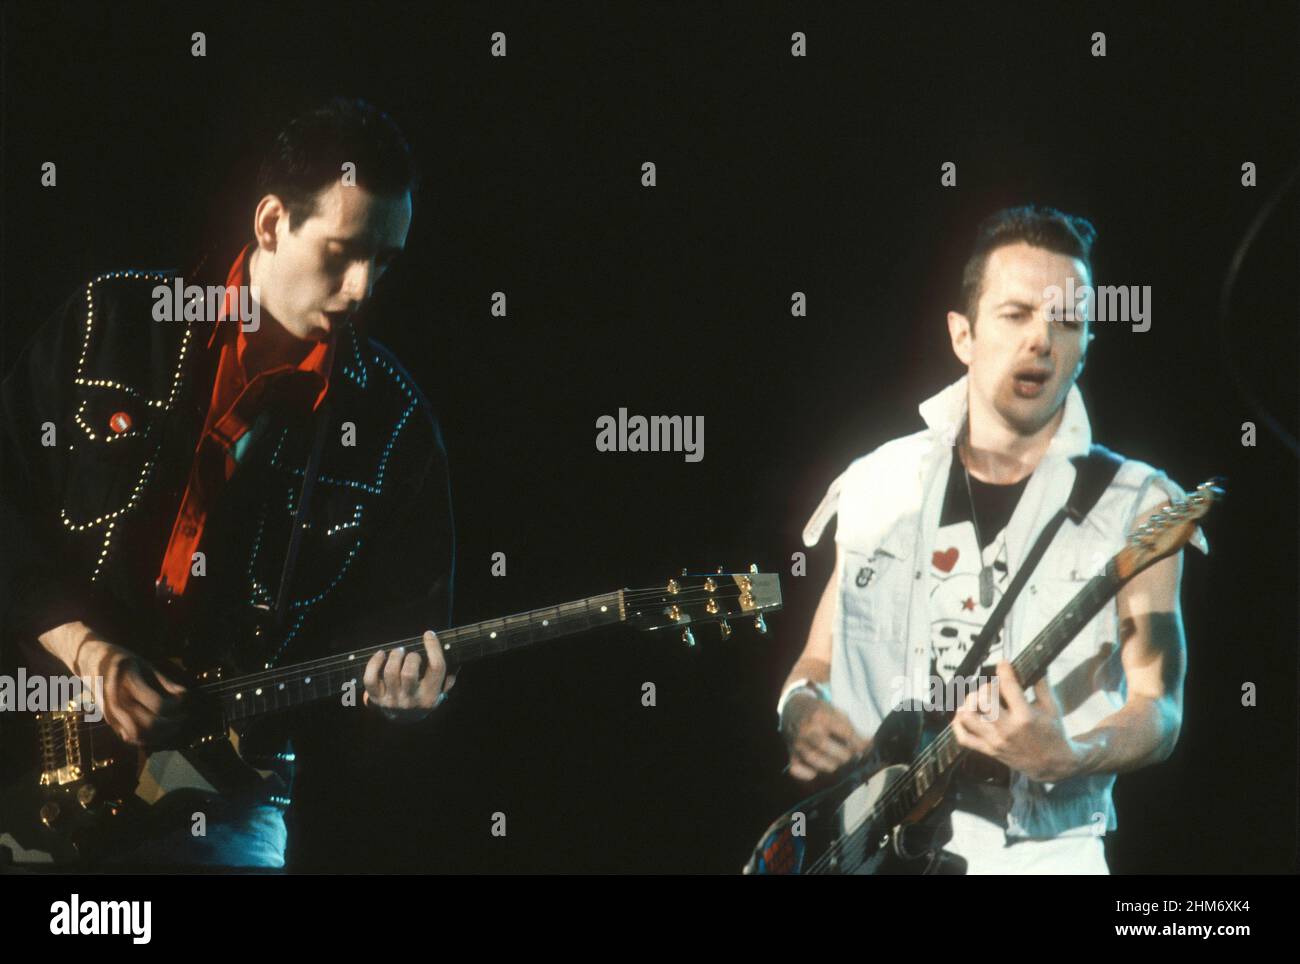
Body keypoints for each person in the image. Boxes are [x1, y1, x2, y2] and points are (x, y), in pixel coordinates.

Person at [0, 97, 455, 870]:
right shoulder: (109, 321)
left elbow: (404, 634)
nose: (362, 288)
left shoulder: (395, 424)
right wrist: (87, 653)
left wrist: (403, 705)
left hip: (224, 795)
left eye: (384, 261)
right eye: (343, 252)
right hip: (24, 742)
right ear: (272, 222)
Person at [778, 205, 1207, 874]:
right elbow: (814, 664)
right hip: (871, 850)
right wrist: (799, 710)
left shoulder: (1139, 502)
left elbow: (1162, 708)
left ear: (1089, 339)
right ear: (963, 335)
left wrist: (1070, 754)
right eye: (1016, 314)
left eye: (1067, 320)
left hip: (1042, 855)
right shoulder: (879, 482)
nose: (1042, 339)